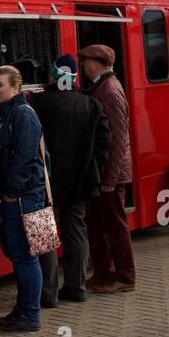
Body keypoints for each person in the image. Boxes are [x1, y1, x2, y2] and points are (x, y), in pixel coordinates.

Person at [31, 54, 110, 304]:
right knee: (76, 232)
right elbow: (104, 144)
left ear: (54, 75)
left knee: (44, 234)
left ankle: (48, 292)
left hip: (45, 182)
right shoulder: (91, 105)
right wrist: (91, 170)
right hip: (78, 181)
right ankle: (77, 287)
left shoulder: (38, 103)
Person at [0, 65, 48, 332]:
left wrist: (11, 193)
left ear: (16, 87)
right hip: (22, 196)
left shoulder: (23, 115)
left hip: (25, 197)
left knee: (25, 255)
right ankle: (24, 308)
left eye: (0, 85)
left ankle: (31, 314)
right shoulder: (6, 114)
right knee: (21, 255)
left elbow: (24, 159)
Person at [78, 44, 136, 292]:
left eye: (85, 62)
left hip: (109, 174)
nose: (82, 66)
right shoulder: (100, 86)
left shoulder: (110, 91)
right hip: (100, 172)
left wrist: (110, 179)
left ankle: (124, 277)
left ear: (96, 64)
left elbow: (118, 139)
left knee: (114, 225)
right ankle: (103, 273)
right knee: (97, 225)